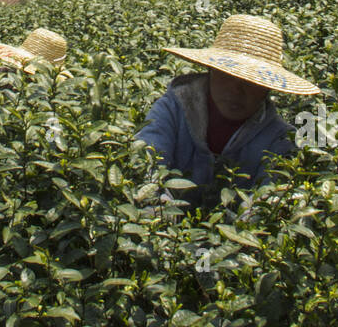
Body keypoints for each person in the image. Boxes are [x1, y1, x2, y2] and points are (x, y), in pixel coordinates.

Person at [135, 13, 320, 202]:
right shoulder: (172, 108)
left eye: (251, 82)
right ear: (211, 71)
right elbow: (145, 170)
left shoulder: (278, 140)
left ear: (267, 89)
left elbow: (267, 204)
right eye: (228, 76)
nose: (236, 90)